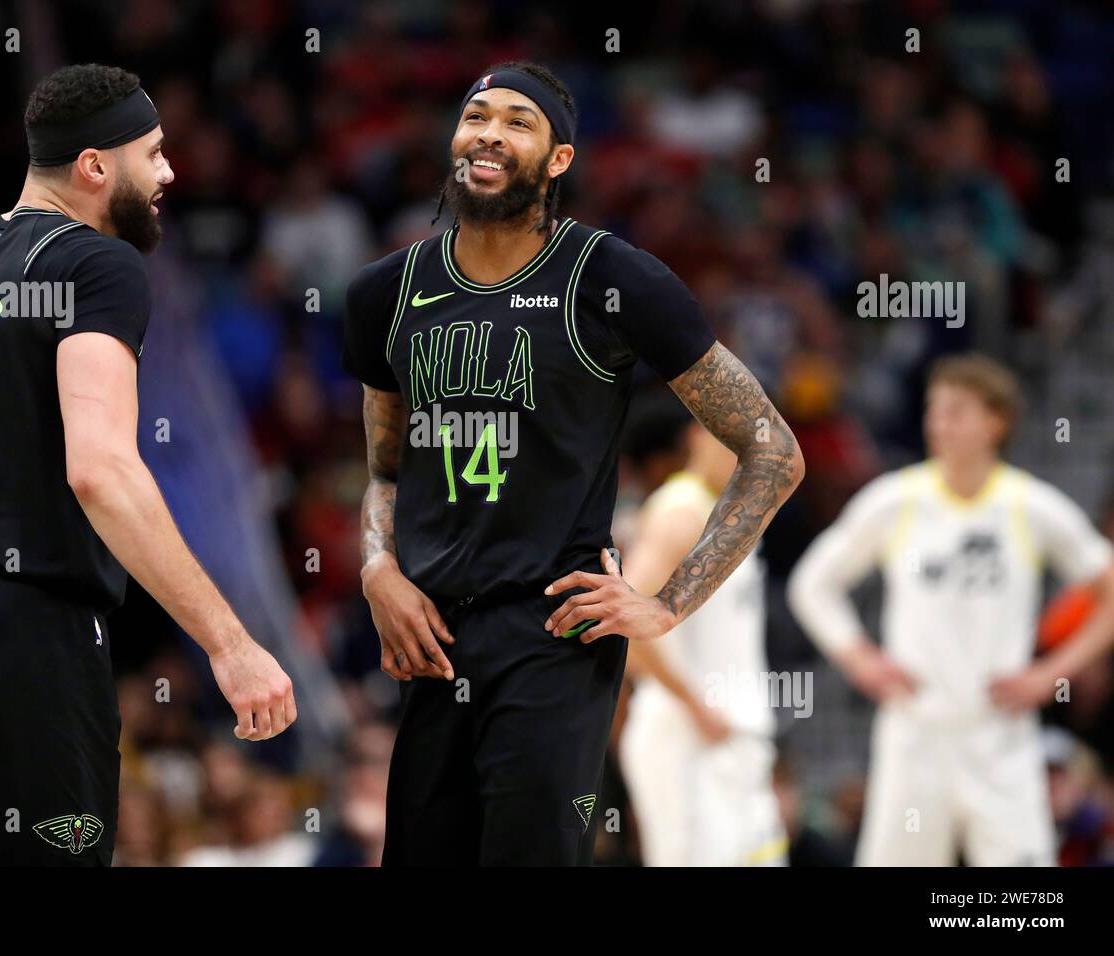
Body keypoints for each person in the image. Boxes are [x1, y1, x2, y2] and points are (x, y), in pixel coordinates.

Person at [0, 63, 294, 866]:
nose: (170, 171)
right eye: (155, 153)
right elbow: (101, 471)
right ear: (96, 167)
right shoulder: (94, 265)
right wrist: (230, 643)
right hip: (23, 639)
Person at [342, 61, 803, 865]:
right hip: (430, 634)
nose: (489, 131)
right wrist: (378, 567)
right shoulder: (387, 291)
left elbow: (773, 450)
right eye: (476, 115)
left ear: (559, 160)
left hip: (552, 630)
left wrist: (665, 604)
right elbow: (385, 470)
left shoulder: (611, 279)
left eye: (518, 120)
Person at [788, 353, 1114, 866]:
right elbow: (812, 585)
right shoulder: (896, 499)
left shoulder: (1031, 506)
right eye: (934, 410)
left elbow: (1108, 591)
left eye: (956, 410)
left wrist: (1052, 673)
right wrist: (857, 657)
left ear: (996, 421)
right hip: (915, 729)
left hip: (1000, 733)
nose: (939, 423)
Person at [617, 403, 787, 866]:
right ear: (698, 436)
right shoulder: (680, 512)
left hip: (729, 736)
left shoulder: (730, 511)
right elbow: (625, 629)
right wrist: (694, 704)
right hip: (688, 736)